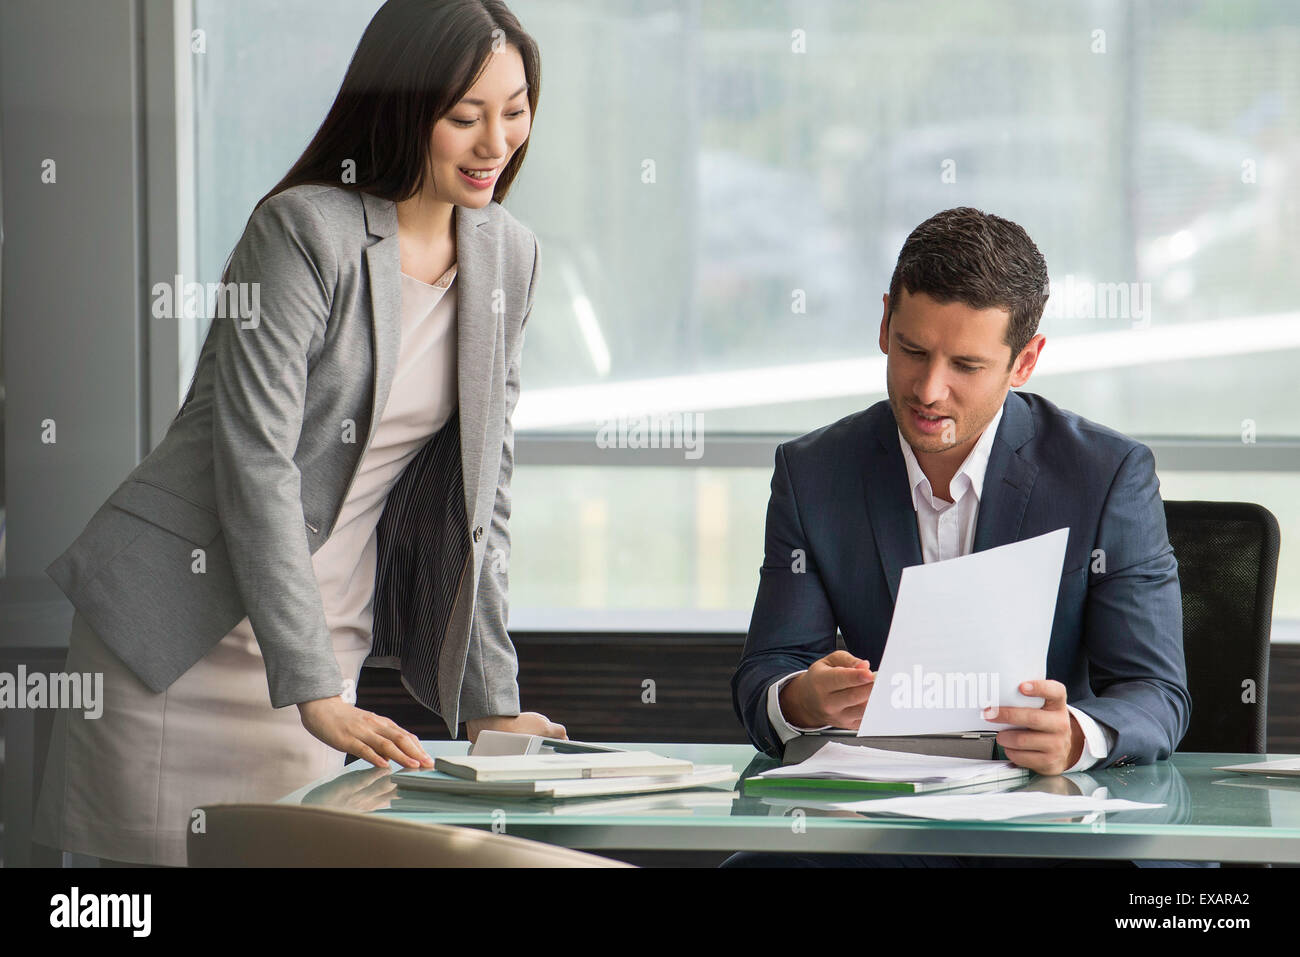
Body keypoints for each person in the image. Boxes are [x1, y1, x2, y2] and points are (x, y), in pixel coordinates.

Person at [33, 0, 562, 868]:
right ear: (403, 107)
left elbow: (484, 495)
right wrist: (309, 682)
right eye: (464, 116)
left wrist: (490, 702)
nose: (494, 143)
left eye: (514, 110)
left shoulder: (510, 255)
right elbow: (256, 463)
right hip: (181, 641)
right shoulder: (302, 231)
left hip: (327, 648)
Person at [725, 207, 1194, 867]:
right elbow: (766, 674)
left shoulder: (1106, 475)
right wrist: (801, 697)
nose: (927, 388)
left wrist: (1073, 735)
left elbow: (1155, 693)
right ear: (884, 321)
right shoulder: (815, 472)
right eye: (912, 349)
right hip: (878, 825)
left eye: (966, 364)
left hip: (1049, 827)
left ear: (1024, 360)